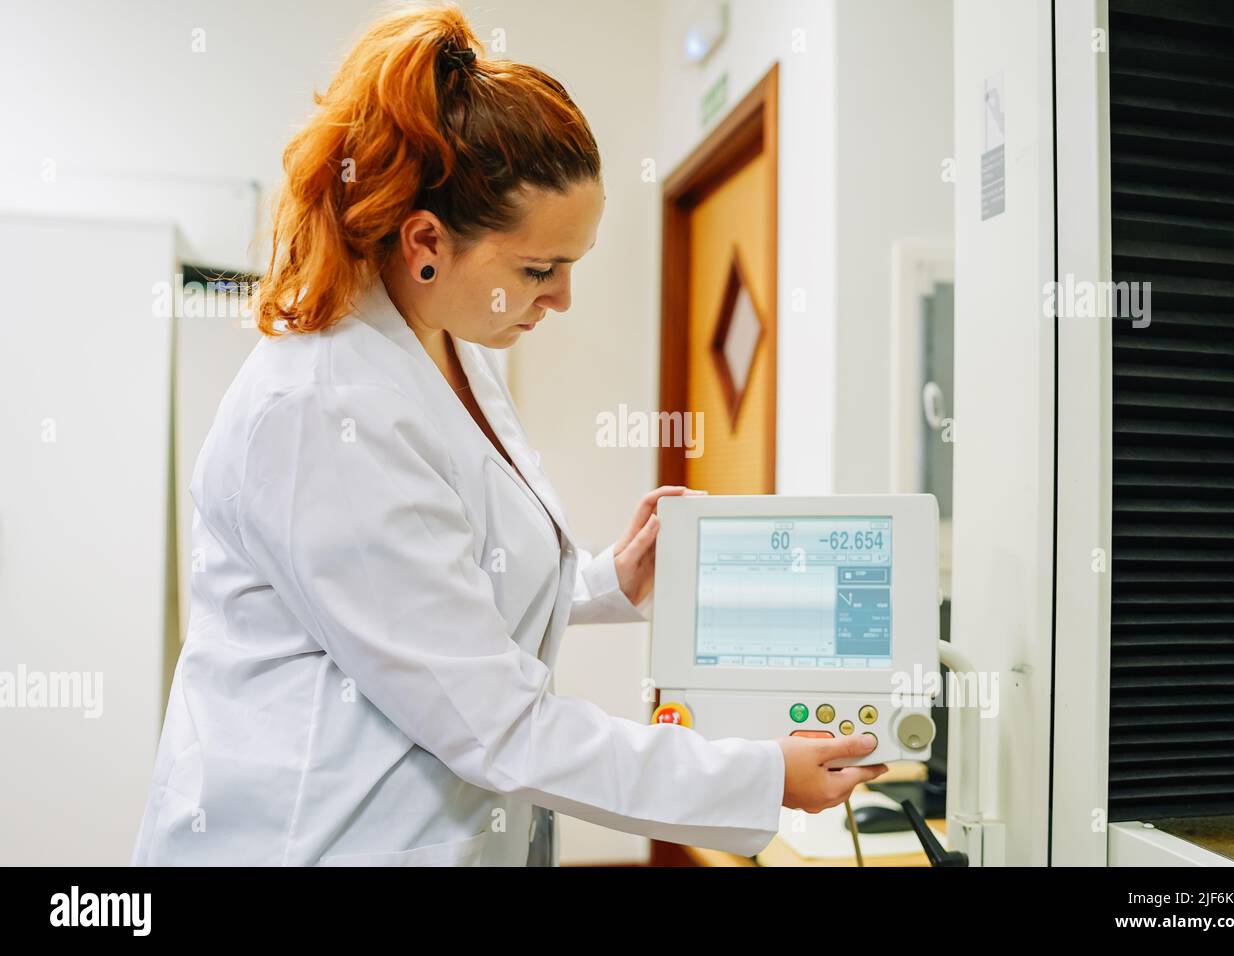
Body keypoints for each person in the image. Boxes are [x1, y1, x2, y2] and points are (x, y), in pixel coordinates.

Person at [131, 2, 885, 867]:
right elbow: (497, 721)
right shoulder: (324, 413)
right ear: (426, 241)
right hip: (320, 839)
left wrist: (608, 582)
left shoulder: (451, 344)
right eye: (540, 268)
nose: (561, 299)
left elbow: (441, 591)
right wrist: (758, 776)